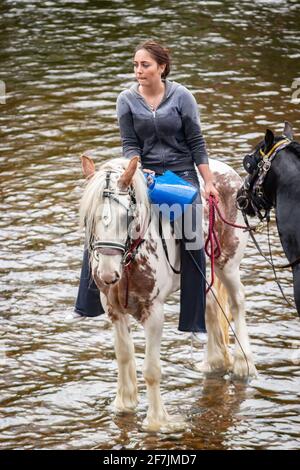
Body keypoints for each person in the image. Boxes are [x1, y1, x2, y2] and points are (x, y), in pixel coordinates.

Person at [68, 40, 219, 343]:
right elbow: (129, 144)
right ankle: (86, 304)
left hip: (180, 176)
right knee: (101, 216)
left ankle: (192, 319)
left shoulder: (182, 97)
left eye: (145, 65)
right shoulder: (126, 99)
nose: (138, 70)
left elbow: (196, 142)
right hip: (143, 173)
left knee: (191, 232)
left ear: (161, 67)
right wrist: (137, 168)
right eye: (136, 65)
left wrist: (208, 180)